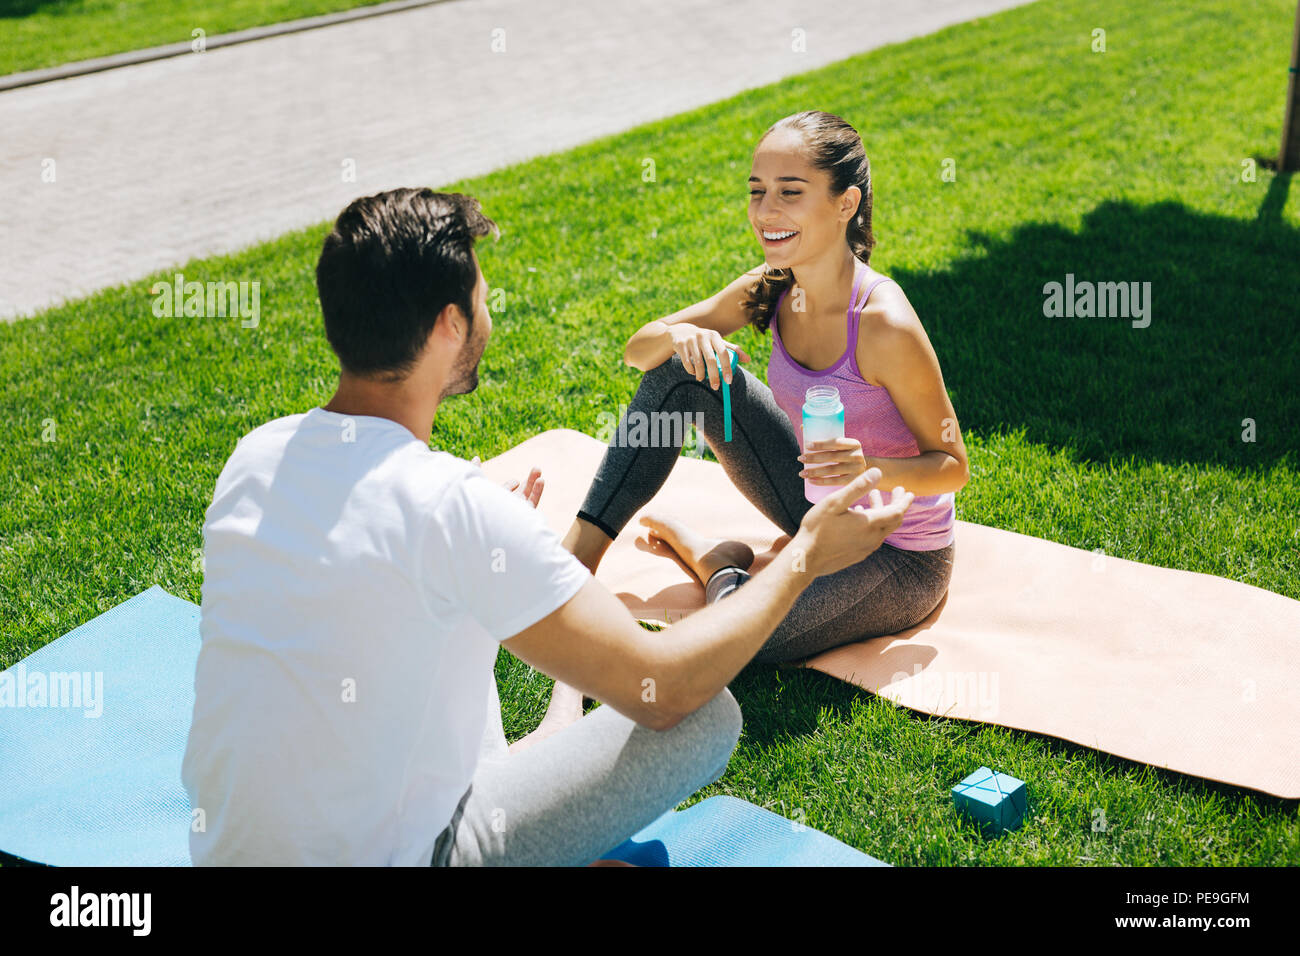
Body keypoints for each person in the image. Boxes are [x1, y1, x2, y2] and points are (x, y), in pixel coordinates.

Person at [181, 186, 915, 867]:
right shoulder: (453, 507)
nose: (488, 308)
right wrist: (806, 555)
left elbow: (352, 598)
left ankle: (555, 722)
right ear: (449, 325)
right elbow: (666, 684)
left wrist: (504, 558)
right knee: (704, 716)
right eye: (481, 294)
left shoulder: (256, 457)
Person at [556, 109, 968, 723]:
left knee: (747, 639)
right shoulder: (771, 287)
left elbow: (953, 468)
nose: (765, 211)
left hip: (894, 552)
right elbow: (638, 350)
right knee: (678, 372)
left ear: (844, 203)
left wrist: (871, 468)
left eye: (790, 193)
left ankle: (717, 566)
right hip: (811, 501)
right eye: (757, 191)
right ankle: (572, 567)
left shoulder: (883, 324)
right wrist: (682, 341)